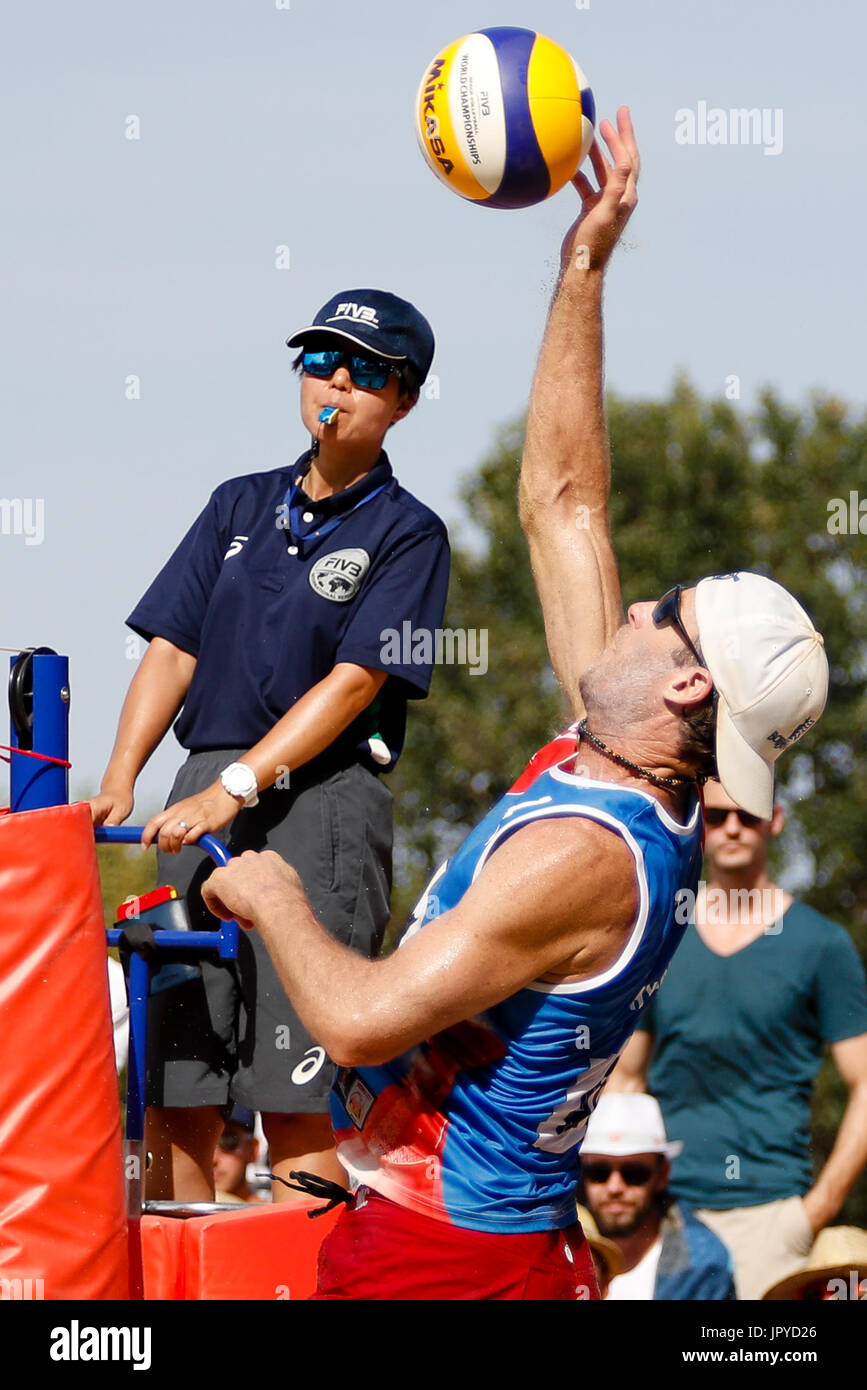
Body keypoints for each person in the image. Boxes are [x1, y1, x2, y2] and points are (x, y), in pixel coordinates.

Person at [198, 108, 829, 1301]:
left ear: (687, 682)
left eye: (669, 606)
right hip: (473, 1239)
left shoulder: (588, 854)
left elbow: (365, 1019)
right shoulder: (629, 758)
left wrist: (271, 889)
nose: (639, 601)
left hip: (450, 1264)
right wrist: (583, 266)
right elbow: (565, 500)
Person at [90, 289, 451, 1203]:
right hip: (198, 796)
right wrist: (120, 780)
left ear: (403, 400)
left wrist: (242, 787)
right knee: (177, 1084)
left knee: (295, 1088)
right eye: (321, 360)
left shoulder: (407, 532)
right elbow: (172, 647)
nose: (337, 381)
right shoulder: (237, 503)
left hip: (316, 802)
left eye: (366, 370)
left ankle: (298, 1277)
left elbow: (355, 683)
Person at [610, 779, 867, 1300]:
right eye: (717, 815)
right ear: (698, 823)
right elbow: (626, 1083)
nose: (731, 828)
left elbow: (864, 1083)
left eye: (747, 815)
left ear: (774, 819)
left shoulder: (821, 945)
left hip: (771, 1213)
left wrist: (816, 1209)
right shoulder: (662, 937)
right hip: (665, 1214)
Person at [580, 1093, 735, 1300]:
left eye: (634, 1173)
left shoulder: (703, 1261)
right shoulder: (555, 1248)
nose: (615, 1187)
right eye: (599, 1172)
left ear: (662, 1175)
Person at [213, 1104, 263, 1205]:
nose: (213, 1159)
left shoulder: (273, 1216)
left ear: (252, 1150)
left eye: (228, 1141)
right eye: (201, 1142)